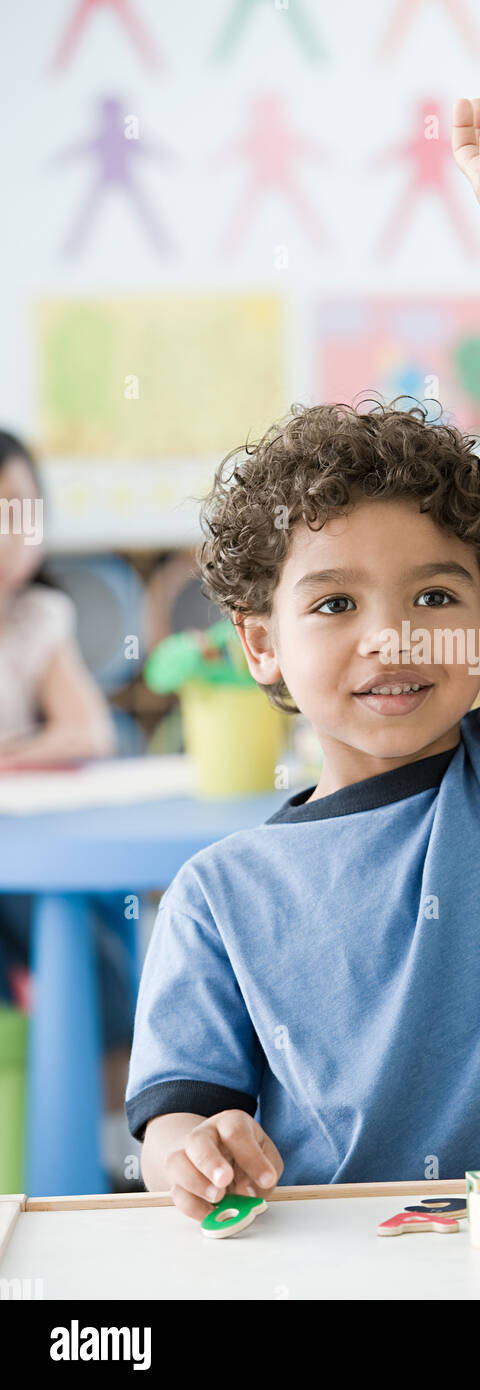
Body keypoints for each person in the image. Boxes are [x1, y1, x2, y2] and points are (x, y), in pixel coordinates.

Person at [126, 97, 480, 1216]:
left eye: (434, 594)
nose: (390, 635)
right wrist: (193, 1148)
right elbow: (171, 1114)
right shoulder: (219, 896)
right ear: (259, 644)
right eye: (335, 601)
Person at [0, 430, 134, 1185]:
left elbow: (88, 731)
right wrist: (30, 746)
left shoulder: (35, 621)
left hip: (32, 849)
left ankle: (117, 1148)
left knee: (97, 933)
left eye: (20, 511)